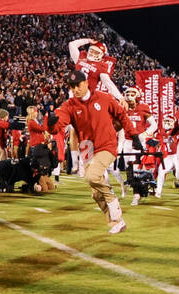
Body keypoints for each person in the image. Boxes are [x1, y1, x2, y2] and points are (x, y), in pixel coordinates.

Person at [52, 70, 129, 233]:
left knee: (92, 177)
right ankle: (117, 221)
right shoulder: (71, 105)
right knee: (95, 194)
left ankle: (111, 198)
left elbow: (120, 116)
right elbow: (61, 125)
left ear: (86, 83)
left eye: (77, 85)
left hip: (104, 144)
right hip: (86, 146)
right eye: (71, 87)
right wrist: (52, 124)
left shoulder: (102, 98)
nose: (75, 89)